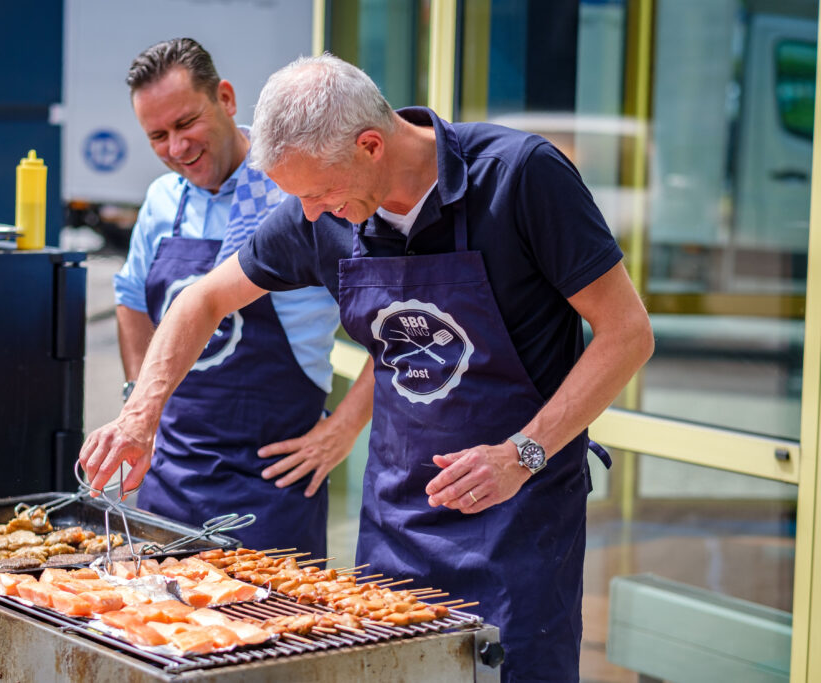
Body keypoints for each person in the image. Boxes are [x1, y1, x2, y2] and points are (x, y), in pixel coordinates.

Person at [81, 53, 654, 681]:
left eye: (318, 193)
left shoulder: (519, 177)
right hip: (398, 518)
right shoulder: (318, 214)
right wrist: (141, 413)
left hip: (521, 520)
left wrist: (523, 454)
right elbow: (203, 298)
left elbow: (627, 334)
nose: (309, 213)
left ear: (372, 145)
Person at [88, 40, 373, 559]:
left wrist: (345, 427)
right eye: (157, 135)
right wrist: (138, 404)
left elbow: (392, 323)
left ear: (226, 98)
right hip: (169, 476)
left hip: (270, 490)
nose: (176, 147)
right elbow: (130, 297)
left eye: (186, 123)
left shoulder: (301, 194)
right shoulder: (160, 202)